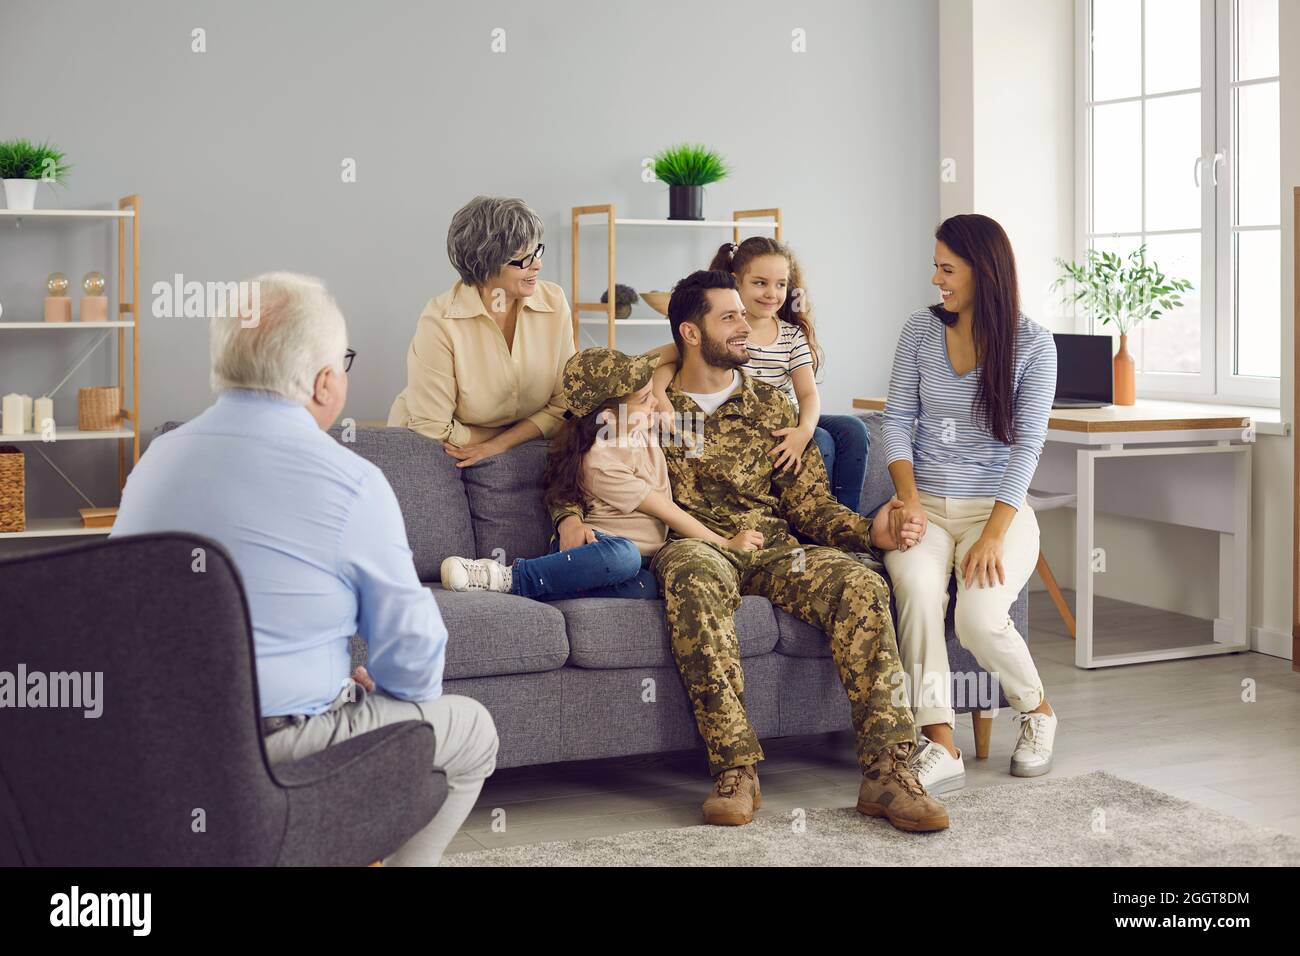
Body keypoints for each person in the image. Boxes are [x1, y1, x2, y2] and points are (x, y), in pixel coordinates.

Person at [111, 272, 498, 866]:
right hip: (278, 749)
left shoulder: (155, 461)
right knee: (471, 730)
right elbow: (416, 652)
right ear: (324, 383)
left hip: (155, 746)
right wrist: (378, 694)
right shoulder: (351, 482)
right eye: (343, 363)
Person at [552, 270, 946, 833]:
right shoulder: (651, 405)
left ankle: (887, 771)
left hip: (775, 546)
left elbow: (810, 506)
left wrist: (870, 534)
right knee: (689, 574)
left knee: (860, 582)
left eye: (744, 313)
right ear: (691, 332)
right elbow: (577, 449)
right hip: (695, 547)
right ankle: (736, 769)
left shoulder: (773, 408)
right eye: (730, 316)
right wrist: (567, 515)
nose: (747, 326)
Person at [881, 214, 1059, 795]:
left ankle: (1037, 713)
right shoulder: (919, 331)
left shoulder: (1033, 345)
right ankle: (941, 743)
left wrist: (991, 536)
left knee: (979, 619)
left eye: (946, 267)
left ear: (983, 272)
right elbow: (895, 424)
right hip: (925, 506)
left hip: (997, 513)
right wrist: (907, 503)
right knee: (917, 591)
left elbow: (1028, 446)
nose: (936, 279)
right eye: (936, 265)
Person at [440, 348, 765, 599]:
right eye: (644, 400)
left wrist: (660, 403)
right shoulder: (601, 461)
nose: (655, 404)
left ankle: (557, 586)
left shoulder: (636, 427)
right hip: (599, 547)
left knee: (649, 587)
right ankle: (511, 578)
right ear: (607, 417)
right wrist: (725, 542)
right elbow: (667, 511)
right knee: (624, 557)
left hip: (639, 561)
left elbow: (666, 360)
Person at [648, 236, 872, 511]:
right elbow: (666, 361)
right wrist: (659, 395)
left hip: (786, 415)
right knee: (823, 439)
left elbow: (807, 393)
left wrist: (803, 430)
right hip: (748, 424)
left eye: (780, 285)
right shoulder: (721, 335)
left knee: (852, 429)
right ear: (736, 281)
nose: (771, 294)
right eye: (760, 283)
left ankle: (848, 512)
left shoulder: (791, 336)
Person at [388, 195, 575, 468]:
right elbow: (432, 428)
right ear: (485, 265)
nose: (537, 264)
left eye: (537, 251)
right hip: (430, 445)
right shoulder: (440, 321)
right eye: (523, 259)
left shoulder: (553, 302)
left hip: (481, 439)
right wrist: (516, 431)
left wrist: (499, 443)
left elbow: (565, 406)